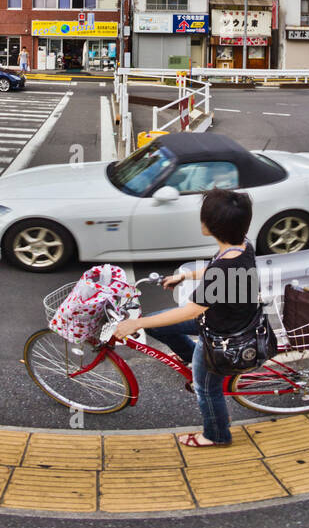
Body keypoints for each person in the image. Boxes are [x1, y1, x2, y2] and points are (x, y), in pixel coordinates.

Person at [110, 187, 262, 448]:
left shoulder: (224, 269)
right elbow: (217, 267)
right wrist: (185, 276)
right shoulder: (242, 245)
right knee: (161, 326)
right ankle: (193, 363)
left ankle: (216, 435)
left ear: (211, 225)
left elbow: (190, 311)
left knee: (206, 389)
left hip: (221, 334)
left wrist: (136, 323)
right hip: (232, 316)